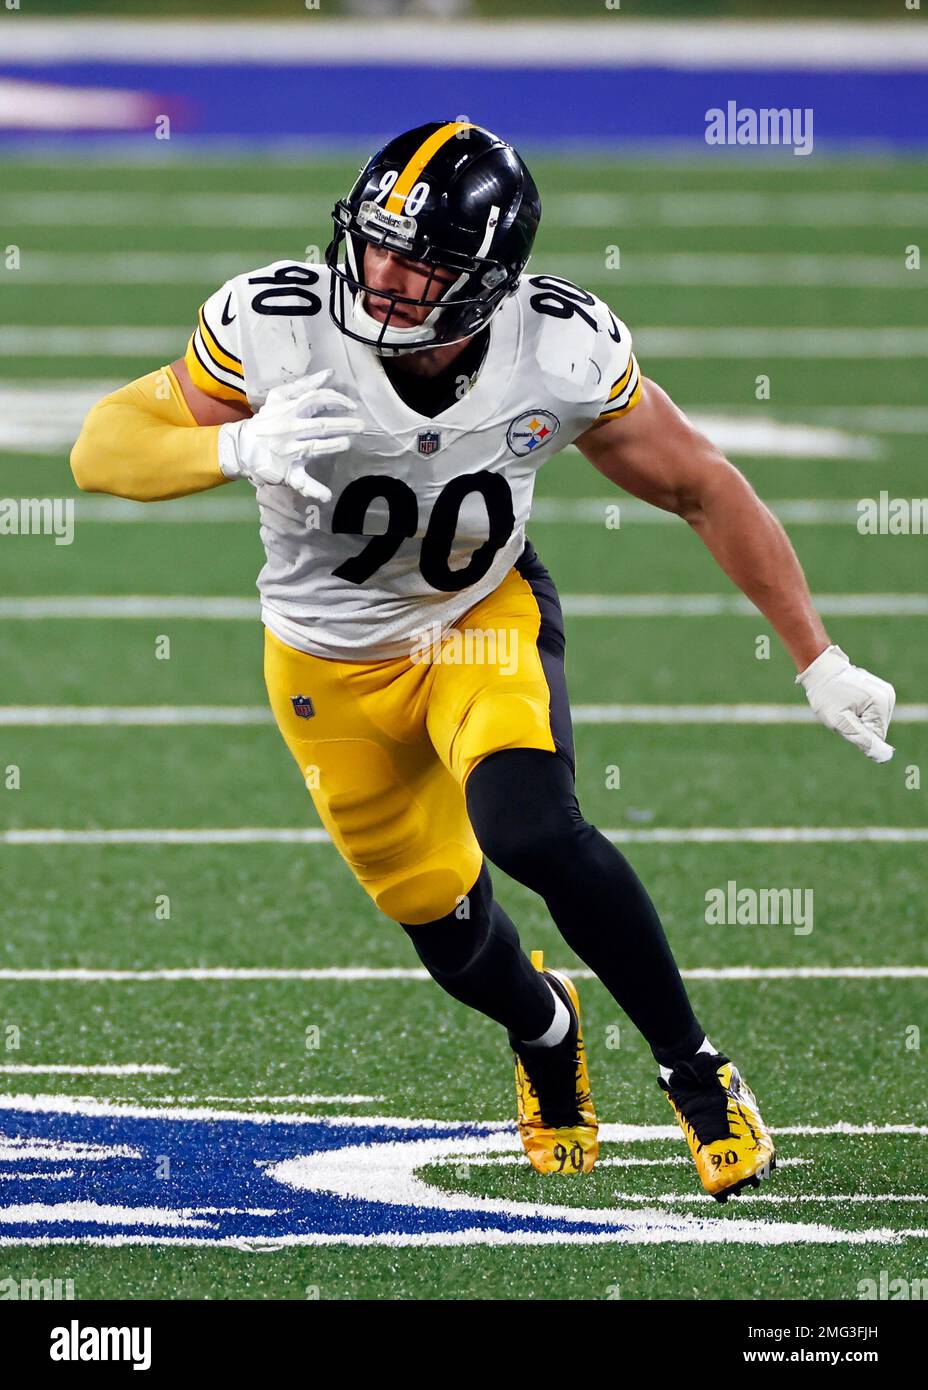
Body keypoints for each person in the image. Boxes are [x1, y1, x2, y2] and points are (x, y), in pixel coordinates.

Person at [71, 120, 895, 1200]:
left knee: (531, 830)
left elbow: (698, 482)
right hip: (326, 662)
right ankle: (547, 1029)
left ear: (489, 282)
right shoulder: (277, 326)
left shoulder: (554, 351)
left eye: (419, 262)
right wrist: (227, 445)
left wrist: (815, 654)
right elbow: (100, 448)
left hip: (476, 616)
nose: (384, 277)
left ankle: (697, 1072)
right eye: (373, 246)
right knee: (449, 933)